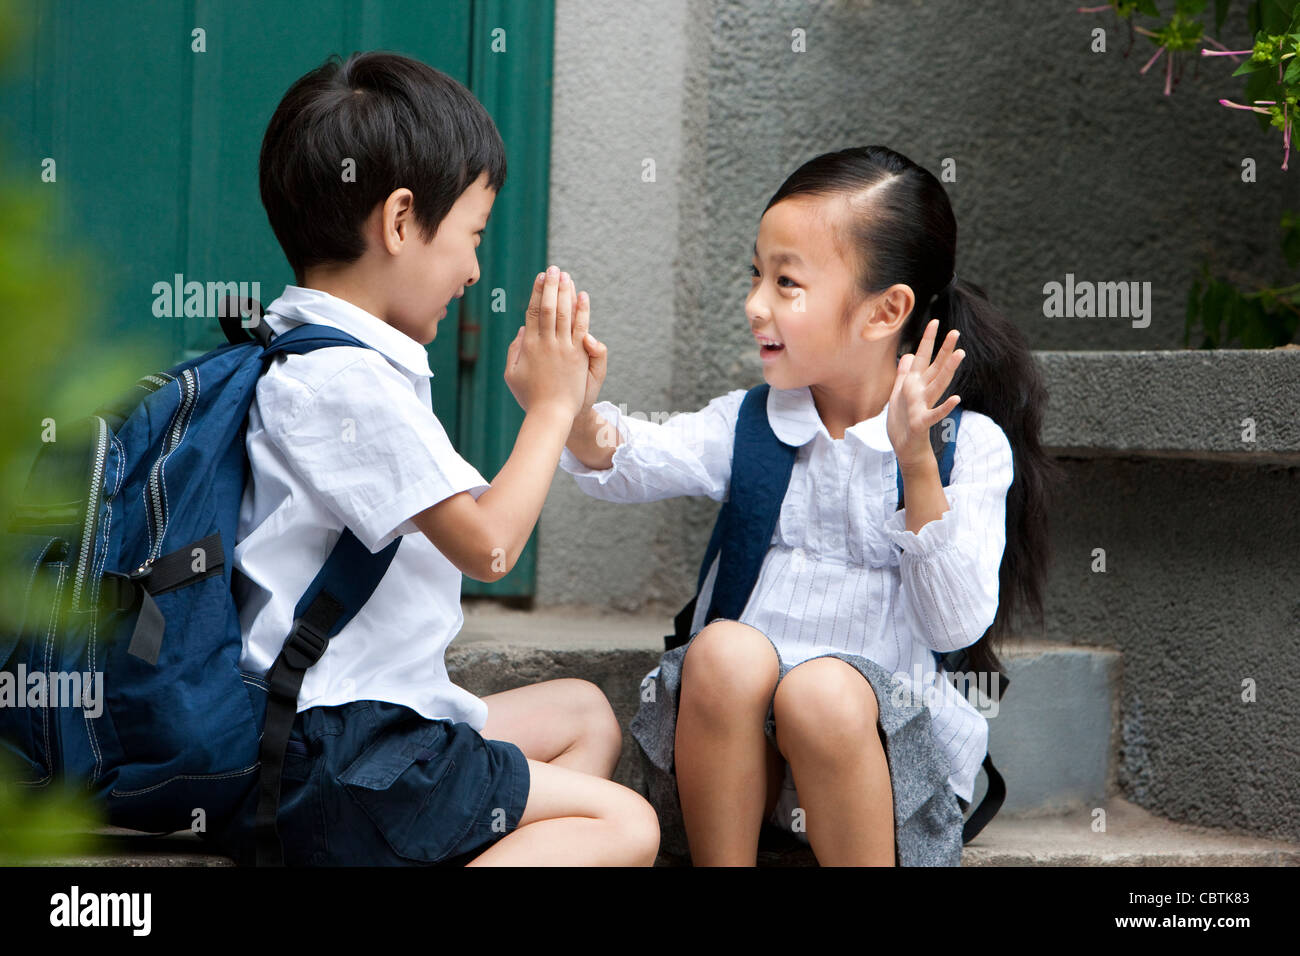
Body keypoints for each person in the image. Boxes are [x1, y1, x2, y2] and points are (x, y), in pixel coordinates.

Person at [559, 145, 1061, 866]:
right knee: (724, 650)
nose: (755, 304)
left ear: (886, 310)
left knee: (823, 692)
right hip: (741, 769)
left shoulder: (964, 447)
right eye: (755, 275)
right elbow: (639, 453)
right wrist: (571, 409)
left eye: (786, 283)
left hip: (881, 776)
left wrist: (916, 462)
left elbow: (954, 622)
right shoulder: (755, 422)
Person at [225, 51, 659, 866]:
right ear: (398, 222)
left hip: (350, 735)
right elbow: (490, 546)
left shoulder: (312, 350)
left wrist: (563, 407)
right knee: (627, 826)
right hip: (342, 758)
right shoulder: (346, 381)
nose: (475, 270)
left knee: (585, 717)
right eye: (471, 236)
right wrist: (552, 408)